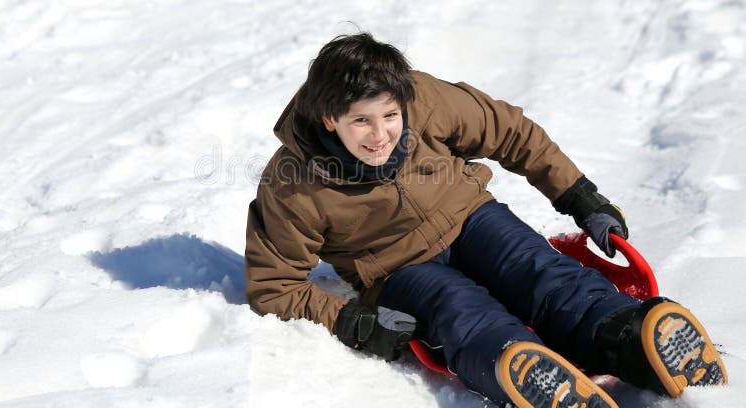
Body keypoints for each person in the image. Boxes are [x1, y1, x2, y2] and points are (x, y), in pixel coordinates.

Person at [244, 32, 728, 407]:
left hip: (470, 216)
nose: (380, 135)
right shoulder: (292, 182)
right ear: (329, 119)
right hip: (396, 267)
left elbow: (511, 133)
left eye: (389, 116)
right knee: (459, 311)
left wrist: (580, 196)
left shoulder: (424, 98)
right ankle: (524, 372)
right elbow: (274, 285)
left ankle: (629, 339)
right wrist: (350, 318)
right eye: (361, 122)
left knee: (542, 273)